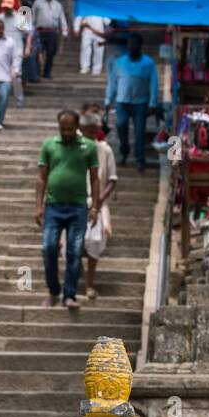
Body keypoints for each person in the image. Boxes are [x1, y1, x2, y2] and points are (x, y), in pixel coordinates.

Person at [35, 109, 99, 309]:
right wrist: (38, 206)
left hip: (78, 206)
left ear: (77, 127)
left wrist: (95, 206)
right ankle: (53, 290)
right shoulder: (49, 145)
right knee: (49, 247)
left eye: (70, 129)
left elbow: (95, 178)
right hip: (53, 205)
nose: (66, 132)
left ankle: (69, 294)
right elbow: (41, 177)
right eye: (63, 129)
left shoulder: (88, 147)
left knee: (74, 250)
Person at [105, 32, 158, 172]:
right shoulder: (120, 62)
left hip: (140, 102)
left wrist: (153, 103)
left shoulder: (148, 63)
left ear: (140, 46)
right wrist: (108, 99)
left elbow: (154, 83)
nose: (131, 47)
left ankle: (140, 159)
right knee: (121, 127)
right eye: (129, 44)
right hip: (122, 102)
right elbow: (112, 82)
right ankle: (124, 153)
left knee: (140, 131)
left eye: (134, 44)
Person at [80, 112, 118, 300]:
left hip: (97, 203)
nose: (93, 136)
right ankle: (77, 279)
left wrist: (99, 200)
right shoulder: (73, 149)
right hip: (75, 202)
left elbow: (112, 180)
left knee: (94, 243)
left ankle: (89, 284)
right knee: (72, 244)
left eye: (95, 132)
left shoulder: (105, 150)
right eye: (89, 132)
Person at [0, 0, 31, 110]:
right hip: (1, 50)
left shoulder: (21, 17)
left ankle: (19, 99)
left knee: (16, 76)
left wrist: (28, 47)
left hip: (17, 50)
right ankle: (2, 99)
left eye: (8, 7)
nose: (6, 9)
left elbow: (28, 34)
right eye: (5, 7)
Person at [32, 0, 69, 79]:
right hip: (39, 31)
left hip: (52, 32)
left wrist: (64, 30)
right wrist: (31, 29)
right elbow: (32, 16)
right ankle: (36, 72)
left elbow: (62, 18)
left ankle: (47, 72)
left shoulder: (58, 5)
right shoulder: (38, 2)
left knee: (51, 52)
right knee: (37, 52)